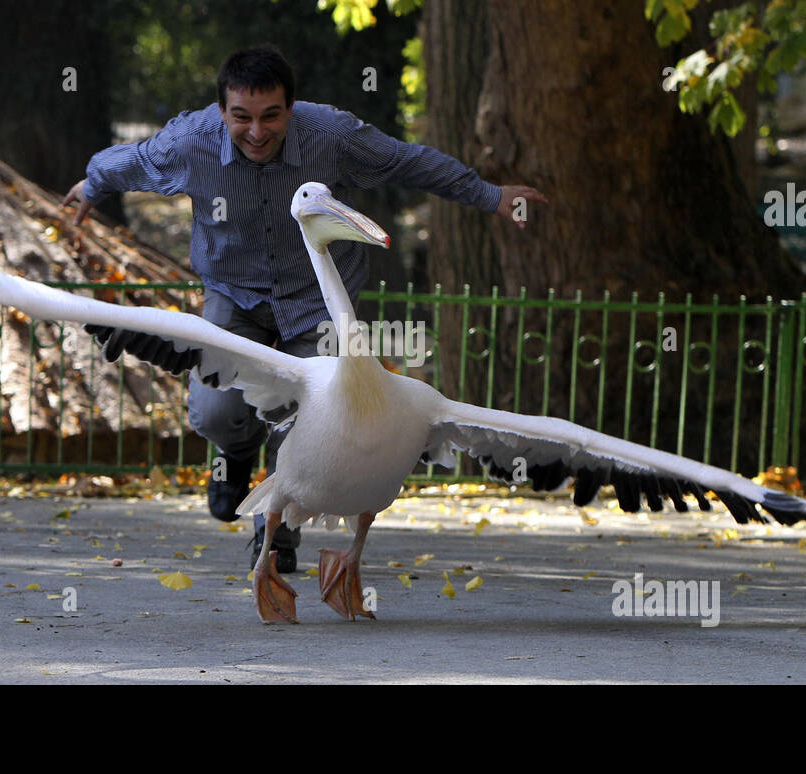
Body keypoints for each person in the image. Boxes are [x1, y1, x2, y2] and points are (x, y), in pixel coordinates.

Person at [63, 45, 546, 572]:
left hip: (314, 298)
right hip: (234, 294)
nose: (256, 131)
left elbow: (408, 161)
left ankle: (276, 536)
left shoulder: (331, 136)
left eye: (270, 116)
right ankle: (235, 453)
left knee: (305, 421)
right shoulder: (190, 142)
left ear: (291, 108)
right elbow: (126, 162)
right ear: (222, 110)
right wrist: (92, 183)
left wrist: (489, 194)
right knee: (215, 412)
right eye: (241, 117)